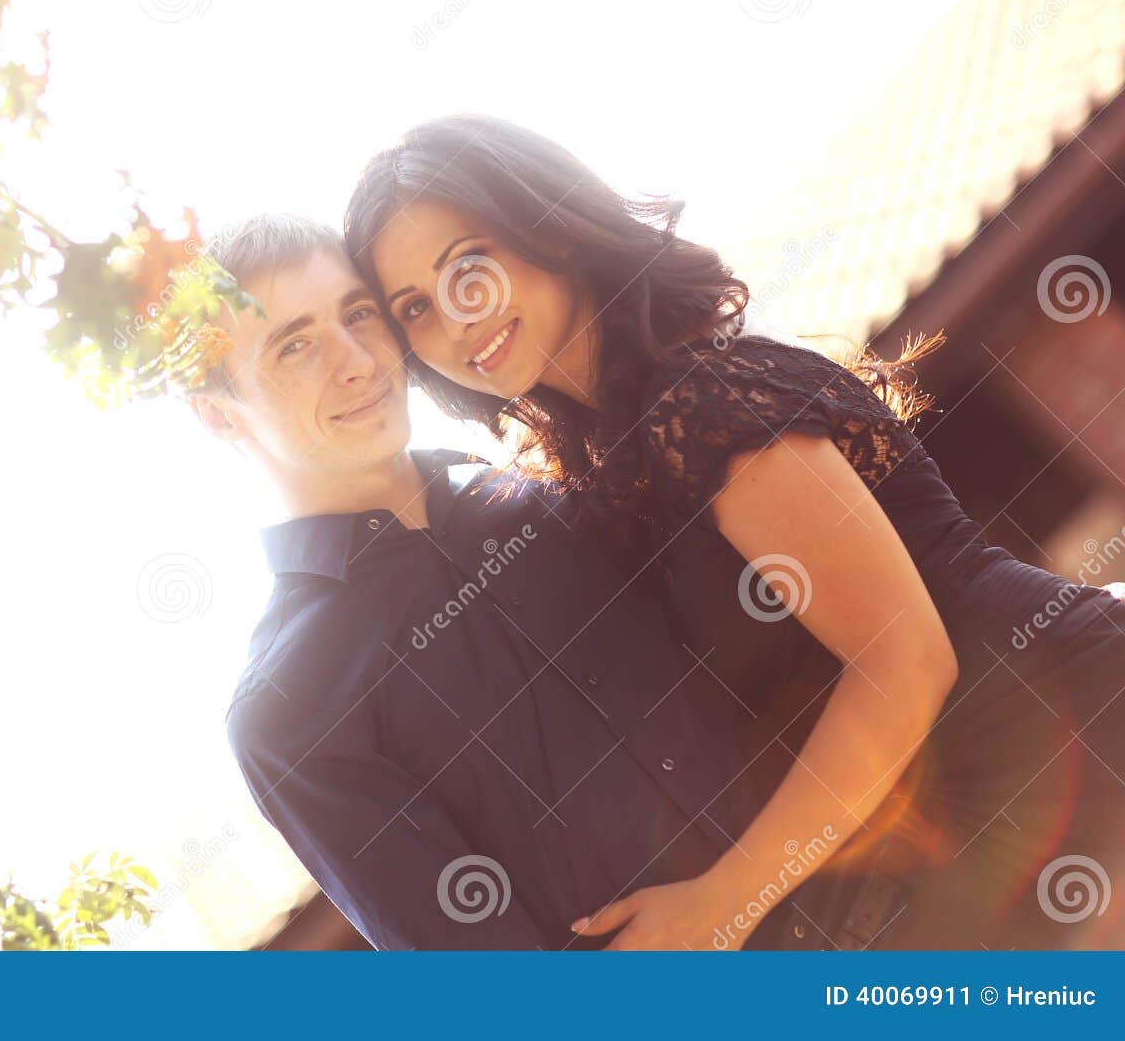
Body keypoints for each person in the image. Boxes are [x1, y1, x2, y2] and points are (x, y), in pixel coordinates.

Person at [344, 112, 1125, 949]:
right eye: (415, 309)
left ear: (550, 224)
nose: (458, 320)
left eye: (470, 264)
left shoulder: (701, 402)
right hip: (986, 826)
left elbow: (902, 661)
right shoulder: (621, 463)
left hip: (1078, 741)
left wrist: (724, 900)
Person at [197, 213, 903, 950]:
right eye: (296, 346)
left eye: (360, 314)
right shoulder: (289, 713)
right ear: (218, 416)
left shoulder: (567, 487)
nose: (359, 362)